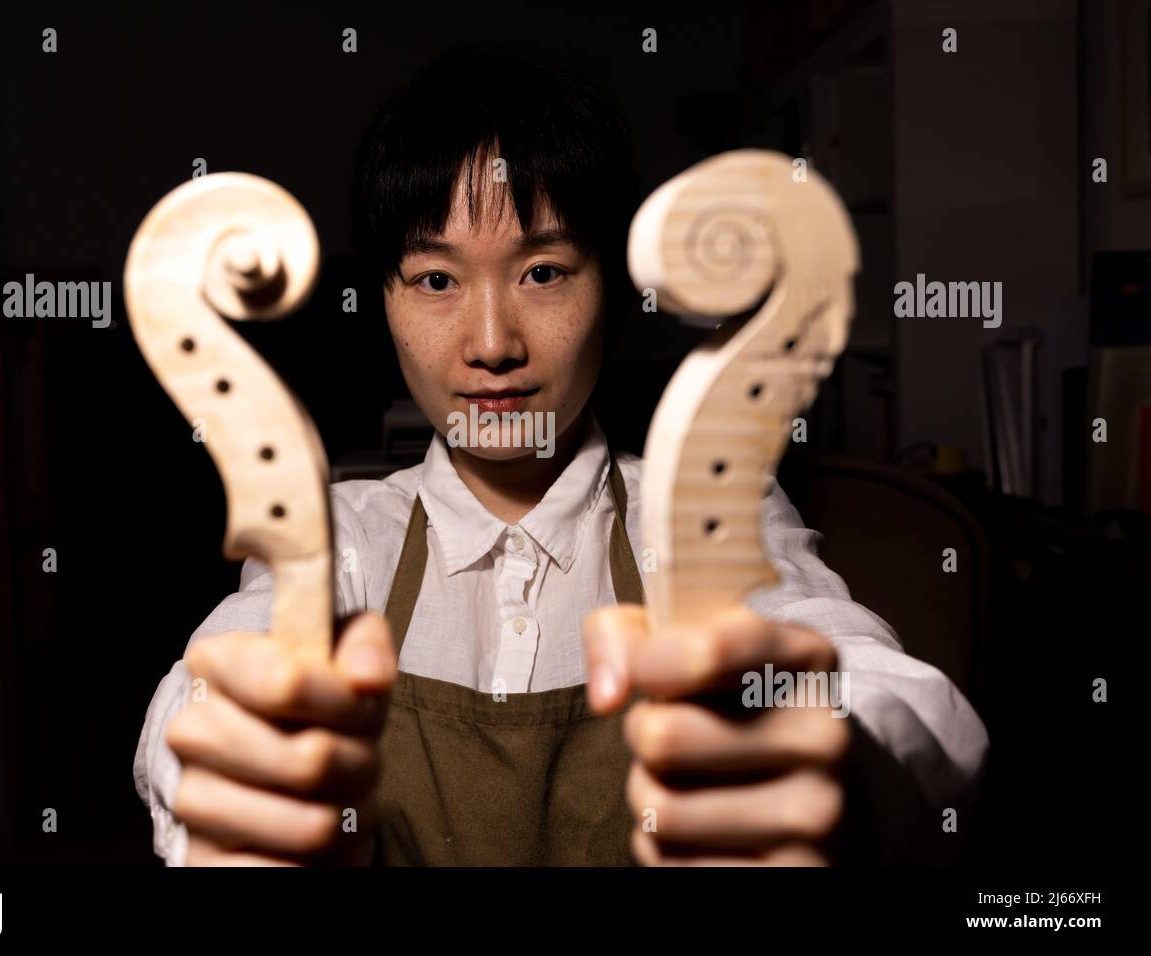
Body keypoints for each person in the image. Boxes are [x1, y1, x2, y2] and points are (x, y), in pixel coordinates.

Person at [133, 45, 988, 866]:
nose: (493, 343)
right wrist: (222, 766)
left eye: (543, 271)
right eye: (437, 280)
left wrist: (833, 756)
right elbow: (214, 682)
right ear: (385, 301)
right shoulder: (344, 533)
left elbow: (903, 699)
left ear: (610, 289)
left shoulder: (702, 512)